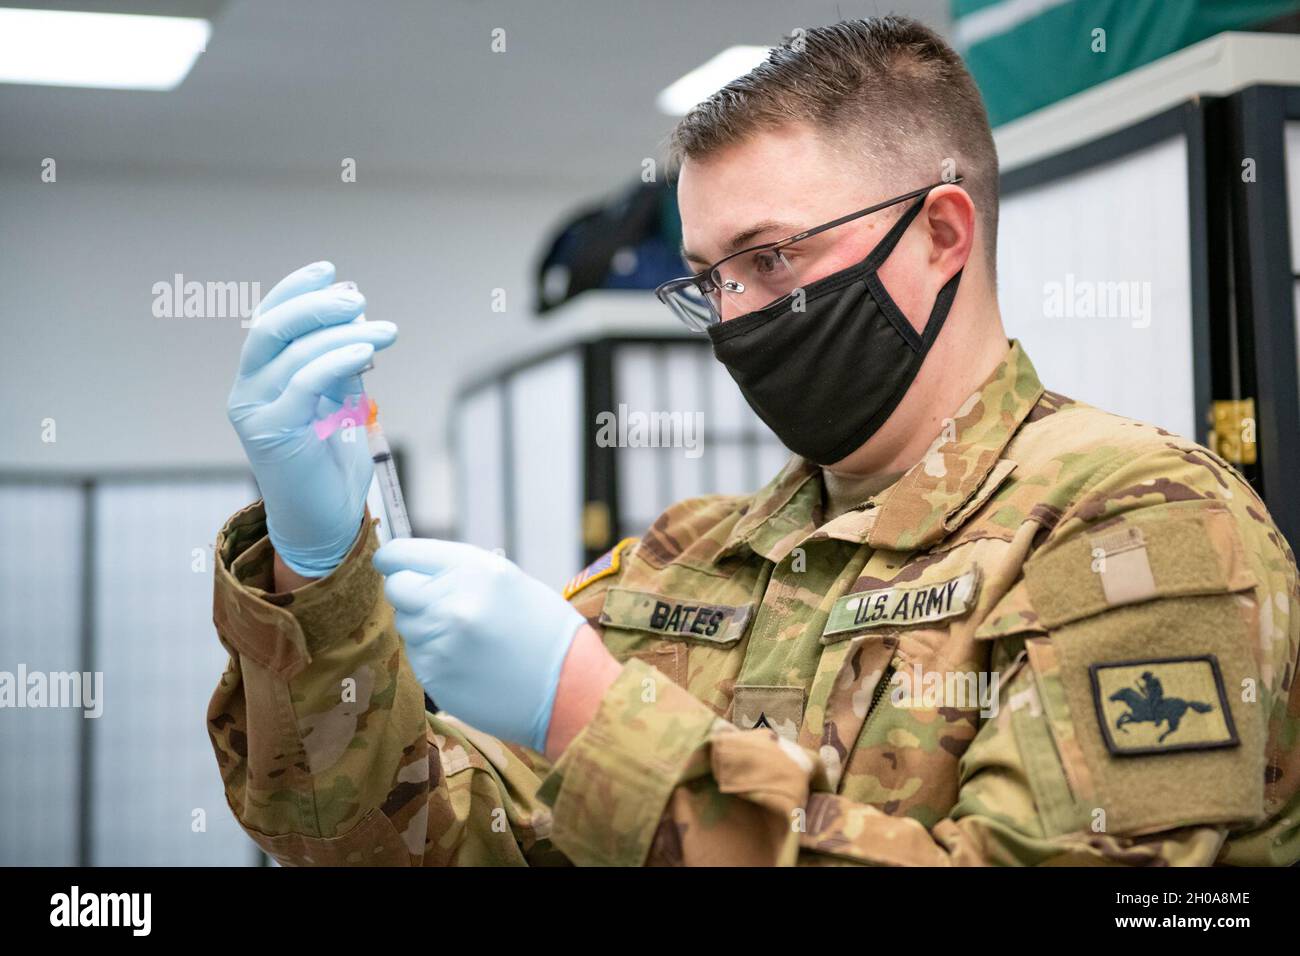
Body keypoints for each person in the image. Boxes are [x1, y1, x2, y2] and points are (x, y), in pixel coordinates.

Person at [210, 16, 1299, 866]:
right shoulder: (685, 559)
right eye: (710, 278)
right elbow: (382, 837)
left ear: (939, 233)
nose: (733, 314)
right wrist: (319, 576)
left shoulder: (1138, 527)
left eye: (771, 259)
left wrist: (590, 716)